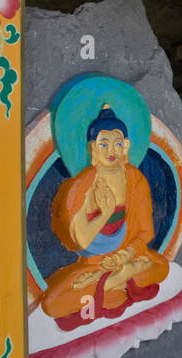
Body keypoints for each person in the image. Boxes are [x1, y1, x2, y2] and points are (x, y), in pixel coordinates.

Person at [40, 104, 169, 331]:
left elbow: (144, 232)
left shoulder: (135, 179)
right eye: (104, 143)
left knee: (161, 267)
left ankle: (113, 280)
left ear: (126, 147)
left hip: (126, 256)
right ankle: (114, 282)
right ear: (93, 148)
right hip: (93, 263)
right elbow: (80, 241)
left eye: (117, 143)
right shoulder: (84, 184)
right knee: (52, 304)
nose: (111, 150)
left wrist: (124, 255)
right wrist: (105, 213)